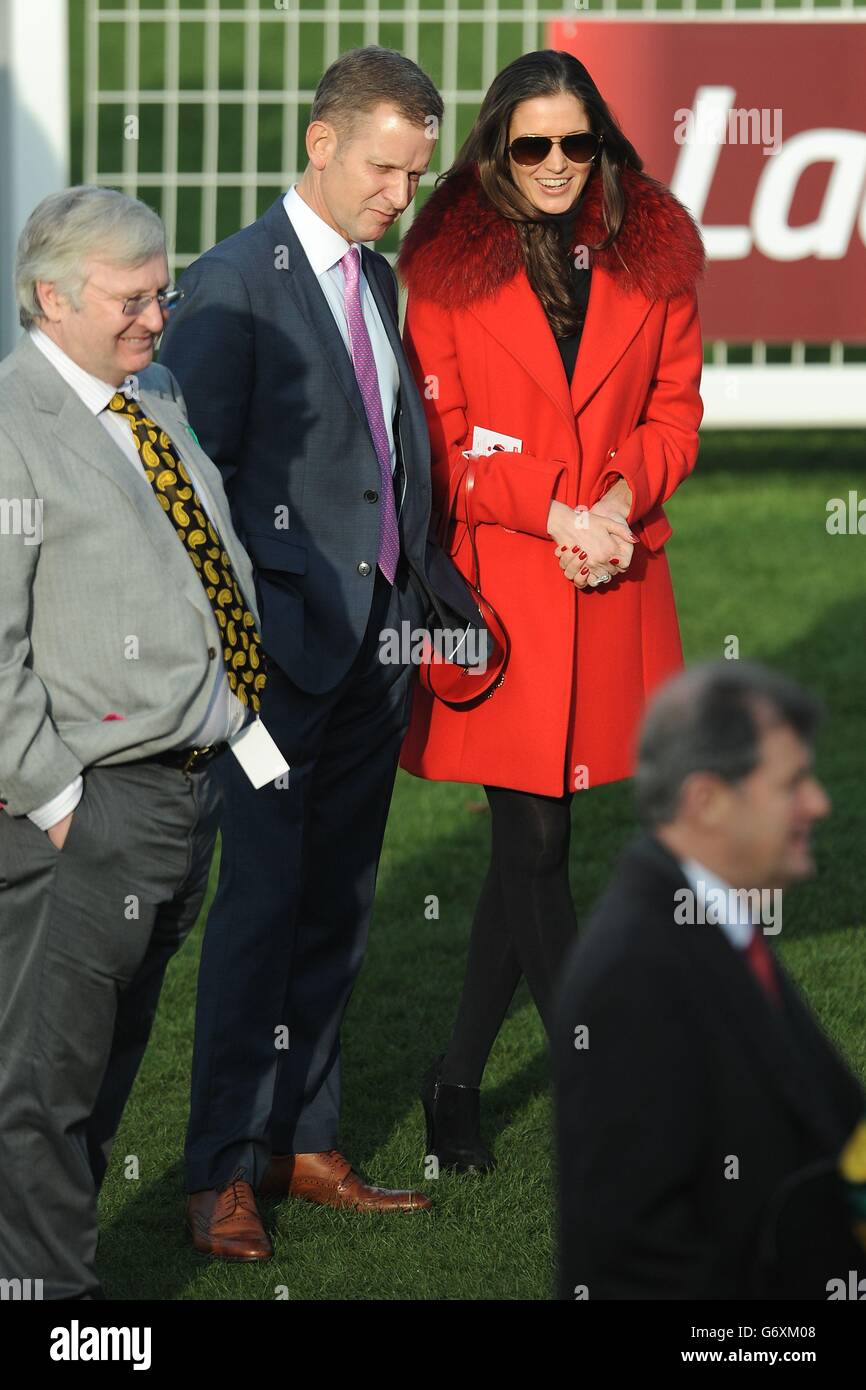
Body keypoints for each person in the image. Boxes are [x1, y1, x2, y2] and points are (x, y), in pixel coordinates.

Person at [160, 46, 486, 1257]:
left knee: (338, 902)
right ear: (319, 142)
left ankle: (304, 1141)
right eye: (383, 168)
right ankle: (218, 1170)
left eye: (413, 174)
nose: (398, 193)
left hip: (374, 657)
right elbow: (190, 490)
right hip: (273, 669)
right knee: (258, 909)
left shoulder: (380, 282)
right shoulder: (233, 283)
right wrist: (238, 658)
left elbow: (387, 453)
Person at [396, 49, 705, 1171]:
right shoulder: (439, 264)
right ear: (494, 148)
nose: (557, 165)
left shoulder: (655, 251)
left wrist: (618, 497)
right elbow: (441, 444)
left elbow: (676, 411)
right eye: (531, 145)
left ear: (602, 143)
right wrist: (556, 510)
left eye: (577, 142)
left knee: (532, 845)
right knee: (535, 833)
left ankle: (453, 1083)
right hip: (503, 584)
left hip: (609, 572)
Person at [0, 187, 266, 1299]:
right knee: (43, 1086)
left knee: (101, 1067)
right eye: (130, 297)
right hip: (92, 807)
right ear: (50, 298)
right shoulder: (13, 427)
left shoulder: (147, 392)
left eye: (164, 290)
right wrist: (58, 800)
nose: (157, 315)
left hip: (185, 792)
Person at [553, 661, 866, 1300]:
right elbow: (630, 1260)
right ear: (708, 801)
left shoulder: (714, 917)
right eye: (793, 783)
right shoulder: (633, 978)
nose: (819, 804)